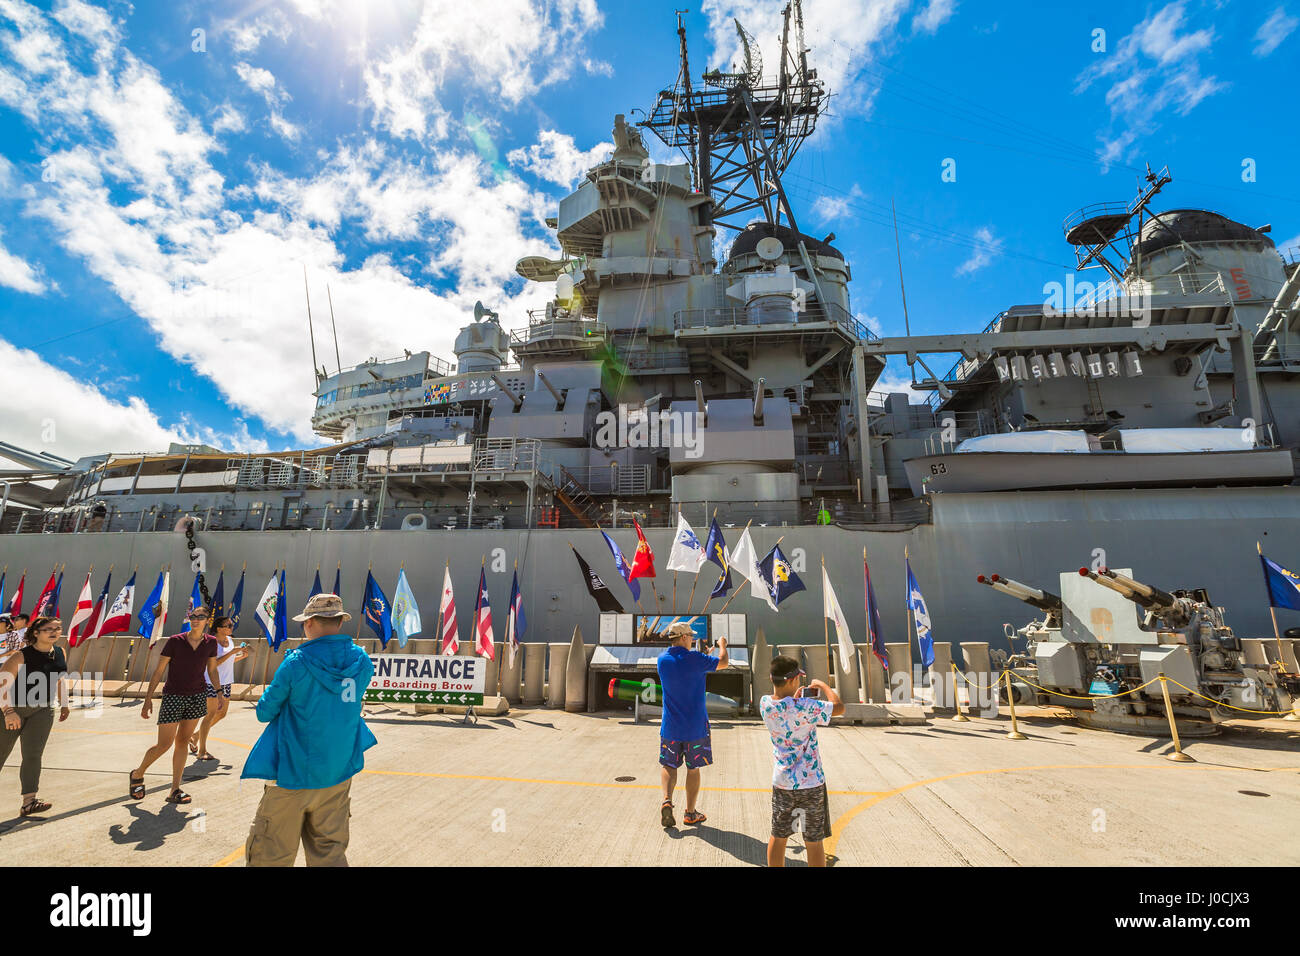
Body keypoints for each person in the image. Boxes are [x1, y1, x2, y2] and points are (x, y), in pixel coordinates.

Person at [241, 593, 376, 867]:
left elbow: (264, 712)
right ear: (339, 622)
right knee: (330, 853)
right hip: (337, 772)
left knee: (271, 853)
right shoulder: (362, 661)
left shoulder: (296, 662)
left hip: (292, 774)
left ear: (311, 622)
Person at [129, 606, 221, 805]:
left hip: (197, 696)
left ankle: (174, 790)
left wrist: (219, 691)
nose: (195, 619)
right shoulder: (175, 641)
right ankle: (138, 773)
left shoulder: (211, 643)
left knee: (182, 742)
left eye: (200, 616)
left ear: (207, 620)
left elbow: (212, 670)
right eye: (193, 616)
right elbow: (158, 671)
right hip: (173, 696)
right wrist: (147, 699)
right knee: (164, 744)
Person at [759, 655, 843, 867]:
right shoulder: (806, 706)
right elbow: (838, 707)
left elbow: (785, 707)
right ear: (792, 680)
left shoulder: (765, 704)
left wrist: (794, 698)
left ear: (772, 678)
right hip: (811, 783)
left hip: (783, 782)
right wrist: (823, 685)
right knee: (813, 841)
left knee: (778, 836)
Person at [655, 620, 729, 828]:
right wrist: (722, 646)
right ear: (685, 637)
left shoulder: (662, 660)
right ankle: (690, 813)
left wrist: (704, 655)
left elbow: (686, 666)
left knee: (669, 765)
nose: (693, 639)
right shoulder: (696, 659)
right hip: (696, 727)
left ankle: (667, 801)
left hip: (670, 727)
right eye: (691, 636)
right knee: (693, 769)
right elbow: (723, 662)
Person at [0, 616, 70, 816]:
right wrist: (8, 712)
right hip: (13, 709)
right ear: (36, 633)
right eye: (48, 629)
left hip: (43, 710)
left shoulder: (59, 652)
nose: (54, 632)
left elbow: (59, 679)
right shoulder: (20, 656)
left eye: (57, 628)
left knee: (33, 755)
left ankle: (29, 802)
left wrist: (64, 704)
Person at [189, 616, 248, 762]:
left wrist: (241, 656)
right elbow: (212, 664)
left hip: (226, 682)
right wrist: (231, 653)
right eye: (228, 625)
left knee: (221, 714)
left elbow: (228, 661)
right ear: (219, 628)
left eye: (231, 625)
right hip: (212, 682)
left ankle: (195, 736)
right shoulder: (211, 642)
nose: (231, 627)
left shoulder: (230, 640)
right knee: (210, 715)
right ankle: (201, 750)